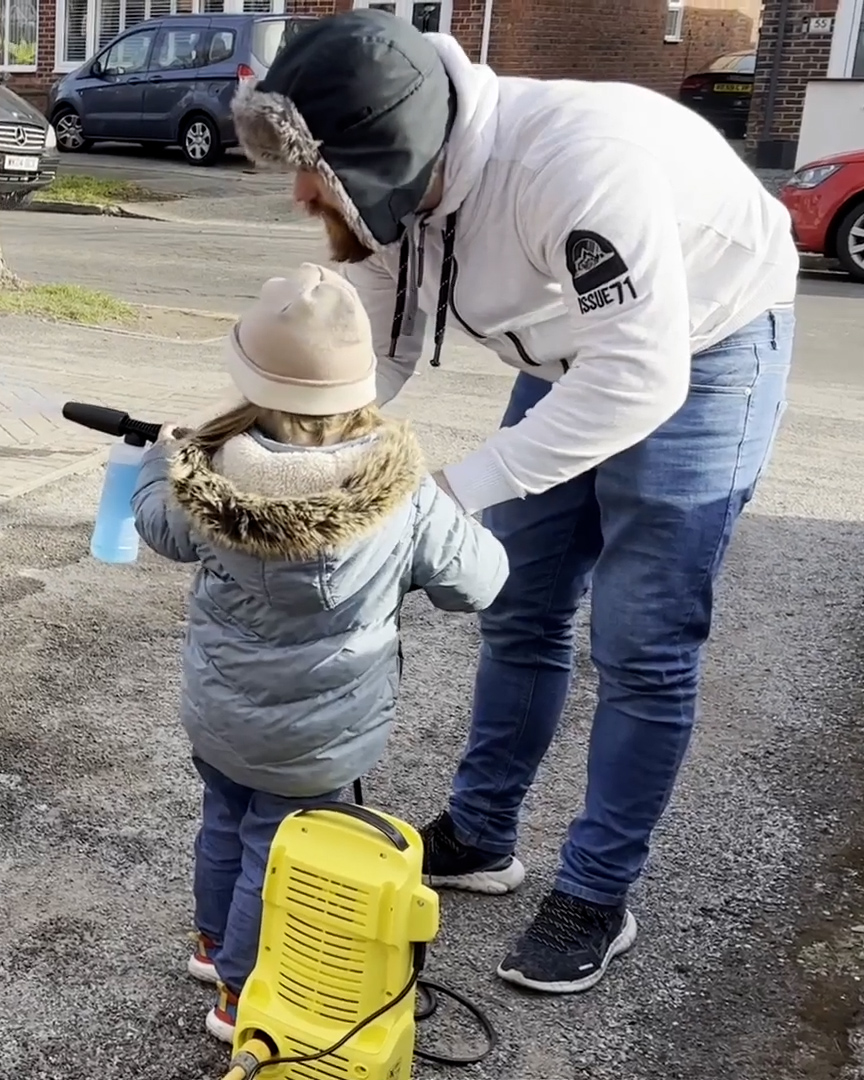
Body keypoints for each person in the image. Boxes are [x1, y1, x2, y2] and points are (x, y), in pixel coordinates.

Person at [228, 10, 797, 995]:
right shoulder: (404, 188)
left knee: (643, 640)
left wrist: (446, 492)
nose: (301, 195)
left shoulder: (575, 166)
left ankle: (596, 891)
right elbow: (374, 347)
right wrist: (261, 446)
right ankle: (484, 836)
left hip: (699, 351)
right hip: (568, 346)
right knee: (520, 604)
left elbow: (638, 375)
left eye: (314, 174)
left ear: (388, 152)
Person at [131, 262, 508, 1043]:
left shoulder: (205, 477)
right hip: (322, 741)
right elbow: (478, 583)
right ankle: (239, 991)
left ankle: (210, 945)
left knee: (224, 823)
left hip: (218, 713)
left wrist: (155, 461)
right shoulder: (399, 494)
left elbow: (156, 526)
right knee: (277, 855)